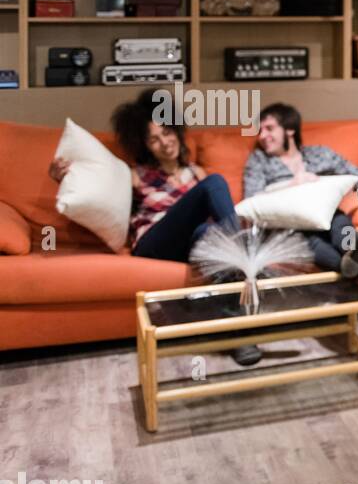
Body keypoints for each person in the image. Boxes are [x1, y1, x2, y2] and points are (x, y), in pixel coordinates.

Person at [47, 89, 261, 366]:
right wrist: (61, 178)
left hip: (193, 244)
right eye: (154, 139)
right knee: (216, 184)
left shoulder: (196, 172)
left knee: (208, 233)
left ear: (177, 131)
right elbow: (93, 187)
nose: (164, 142)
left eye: (167, 133)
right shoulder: (135, 175)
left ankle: (240, 334)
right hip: (154, 243)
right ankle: (246, 253)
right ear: (144, 145)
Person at [242, 103, 358, 278]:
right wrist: (293, 184)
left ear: (289, 130)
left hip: (331, 216)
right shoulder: (259, 160)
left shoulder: (319, 155)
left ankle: (355, 253)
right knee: (311, 242)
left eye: (269, 129)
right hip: (289, 226)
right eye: (260, 131)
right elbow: (252, 198)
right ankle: (350, 265)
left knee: (342, 224)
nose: (262, 136)